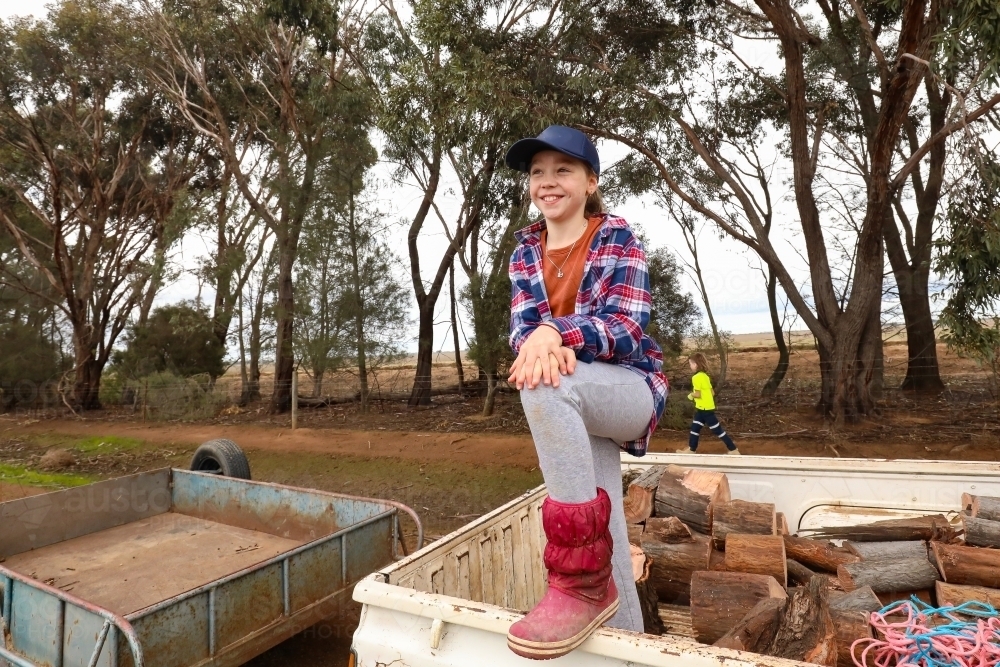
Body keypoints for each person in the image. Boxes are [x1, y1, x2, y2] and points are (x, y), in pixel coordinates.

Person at [502, 125, 668, 660]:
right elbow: (521, 331)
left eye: (563, 170)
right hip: (576, 388)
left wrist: (557, 334)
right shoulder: (525, 250)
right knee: (610, 526)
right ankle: (630, 646)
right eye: (537, 172)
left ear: (591, 181)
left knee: (546, 387)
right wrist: (540, 342)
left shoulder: (617, 237)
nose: (547, 182)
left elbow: (626, 330)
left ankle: (577, 583)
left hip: (631, 391)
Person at [677, 352, 740, 455]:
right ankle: (691, 449)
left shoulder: (696, 377)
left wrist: (691, 395)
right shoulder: (705, 376)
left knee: (717, 430)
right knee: (695, 428)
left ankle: (733, 449)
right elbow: (712, 392)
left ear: (696, 364)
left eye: (691, 364)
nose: (690, 366)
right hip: (704, 408)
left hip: (705, 410)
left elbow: (698, 394)